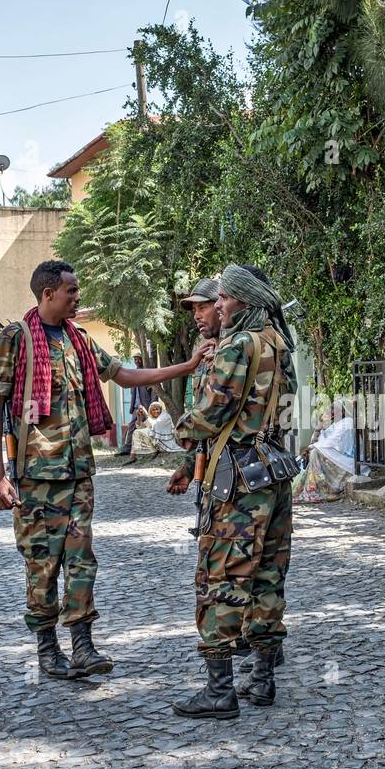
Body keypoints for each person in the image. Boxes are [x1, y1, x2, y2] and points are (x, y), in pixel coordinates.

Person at [0, 260, 211, 682]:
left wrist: (186, 367)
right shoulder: (14, 341)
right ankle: (48, 649)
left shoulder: (80, 341)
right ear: (48, 293)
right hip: (35, 477)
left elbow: (124, 375)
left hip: (78, 474)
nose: (78, 296)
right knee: (41, 564)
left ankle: (83, 645)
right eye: (71, 290)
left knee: (81, 560)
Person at [172, 263, 297, 719]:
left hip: (237, 480)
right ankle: (262, 680)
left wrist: (182, 433)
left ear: (242, 299)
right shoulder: (279, 342)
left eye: (222, 297)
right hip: (275, 471)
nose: (217, 305)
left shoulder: (239, 345)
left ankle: (219, 691)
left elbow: (212, 411)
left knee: (220, 579)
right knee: (266, 577)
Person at [167, 278, 223, 498]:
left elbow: (215, 415)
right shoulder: (204, 354)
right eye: (194, 310)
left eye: (203, 307)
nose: (197, 316)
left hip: (241, 473)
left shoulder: (237, 352)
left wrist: (180, 430)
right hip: (214, 473)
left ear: (221, 305)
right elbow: (207, 427)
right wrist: (189, 467)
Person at [293, 399, 358, 503]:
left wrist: (312, 447)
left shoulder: (347, 423)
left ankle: (320, 489)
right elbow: (320, 440)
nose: (330, 412)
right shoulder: (336, 424)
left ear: (341, 412)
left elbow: (332, 442)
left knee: (315, 452)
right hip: (338, 457)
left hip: (348, 460)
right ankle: (314, 488)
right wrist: (320, 425)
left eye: (333, 410)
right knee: (314, 451)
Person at [119, 355, 156, 455]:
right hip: (137, 406)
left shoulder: (146, 372)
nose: (137, 361)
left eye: (138, 359)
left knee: (148, 426)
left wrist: (152, 406)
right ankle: (127, 448)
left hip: (147, 406)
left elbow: (154, 391)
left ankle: (150, 448)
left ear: (142, 359)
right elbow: (133, 392)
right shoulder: (134, 373)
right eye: (135, 359)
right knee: (132, 426)